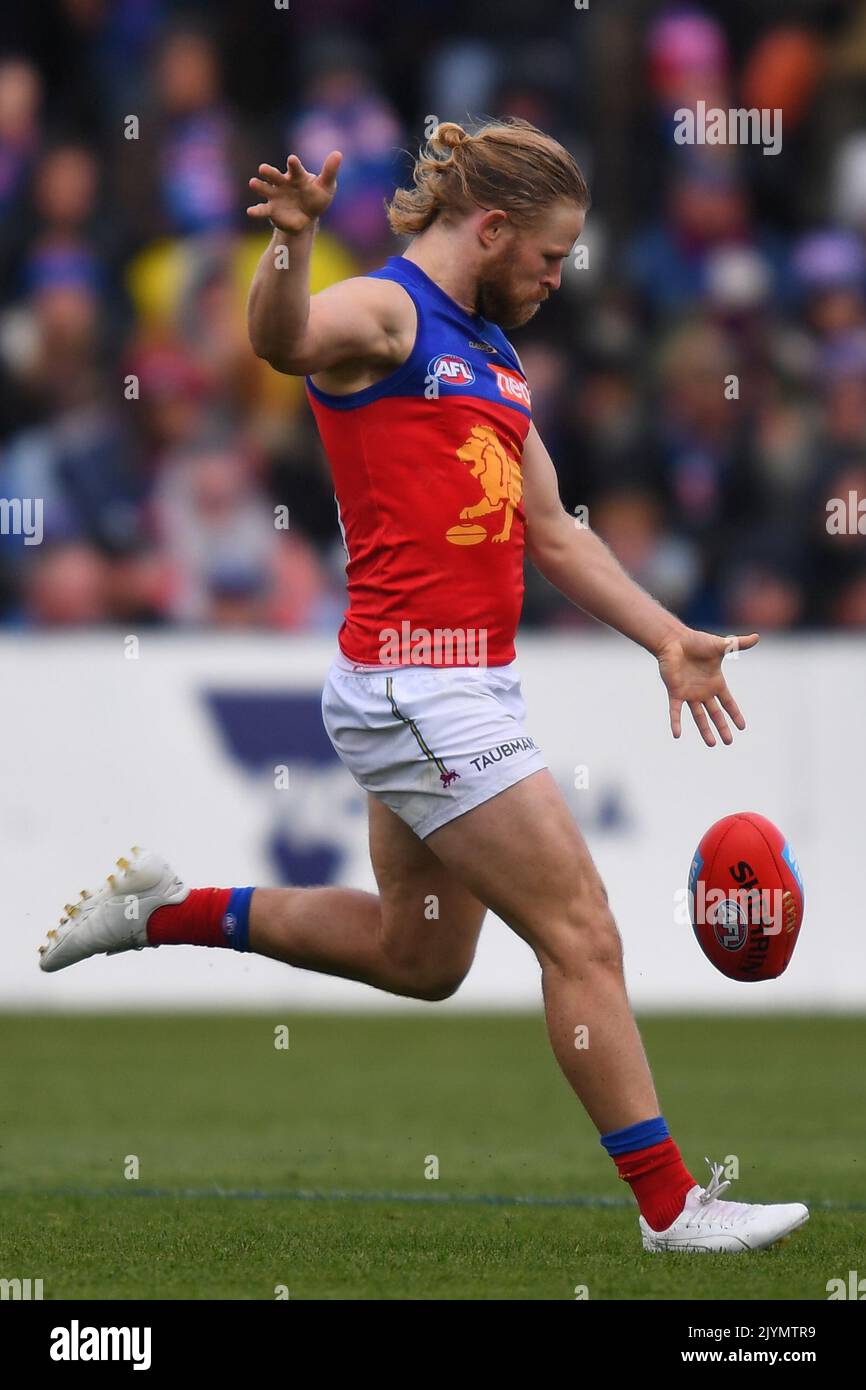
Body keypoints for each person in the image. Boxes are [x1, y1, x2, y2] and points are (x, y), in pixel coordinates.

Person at [40, 119, 808, 1253]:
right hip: (418, 687)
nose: (557, 277)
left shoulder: (494, 362)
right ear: (490, 228)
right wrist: (294, 242)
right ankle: (670, 1208)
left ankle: (164, 908)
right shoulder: (392, 312)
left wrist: (666, 637)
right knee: (581, 932)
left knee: (422, 957)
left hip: (461, 688)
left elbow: (551, 532)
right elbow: (284, 336)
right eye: (547, 255)